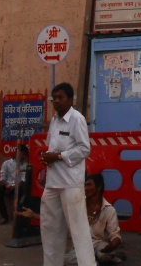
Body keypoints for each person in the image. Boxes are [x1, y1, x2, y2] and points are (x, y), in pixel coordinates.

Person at [40, 82, 95, 266]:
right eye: (54, 98)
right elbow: (52, 146)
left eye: (60, 97)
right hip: (52, 182)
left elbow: (84, 149)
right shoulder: (54, 121)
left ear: (70, 100)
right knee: (50, 229)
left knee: (78, 231)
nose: (56, 101)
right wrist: (48, 157)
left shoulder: (77, 119)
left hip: (71, 184)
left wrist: (58, 156)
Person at [65, 173, 124, 264]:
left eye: (89, 185)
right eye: (85, 185)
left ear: (99, 187)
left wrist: (113, 245)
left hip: (100, 243)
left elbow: (115, 234)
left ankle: (102, 257)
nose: (85, 188)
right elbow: (63, 218)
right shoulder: (78, 205)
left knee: (104, 256)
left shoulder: (109, 209)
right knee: (67, 260)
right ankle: (98, 260)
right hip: (82, 245)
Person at [0, 143, 28, 224]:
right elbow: (2, 178)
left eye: (24, 155)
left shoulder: (26, 165)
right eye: (21, 154)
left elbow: (23, 180)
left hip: (17, 187)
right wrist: (7, 185)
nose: (22, 156)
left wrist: (13, 187)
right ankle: (4, 217)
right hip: (8, 185)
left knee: (22, 192)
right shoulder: (7, 163)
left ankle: (17, 216)